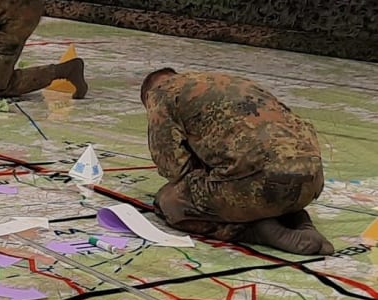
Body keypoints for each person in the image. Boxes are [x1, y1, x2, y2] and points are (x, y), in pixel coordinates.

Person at [140, 68, 334, 255]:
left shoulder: (160, 94)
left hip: (263, 183)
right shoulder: (226, 82)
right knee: (267, 174)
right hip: (312, 179)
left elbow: (175, 169)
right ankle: (298, 220)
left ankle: (256, 231)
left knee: (171, 201)